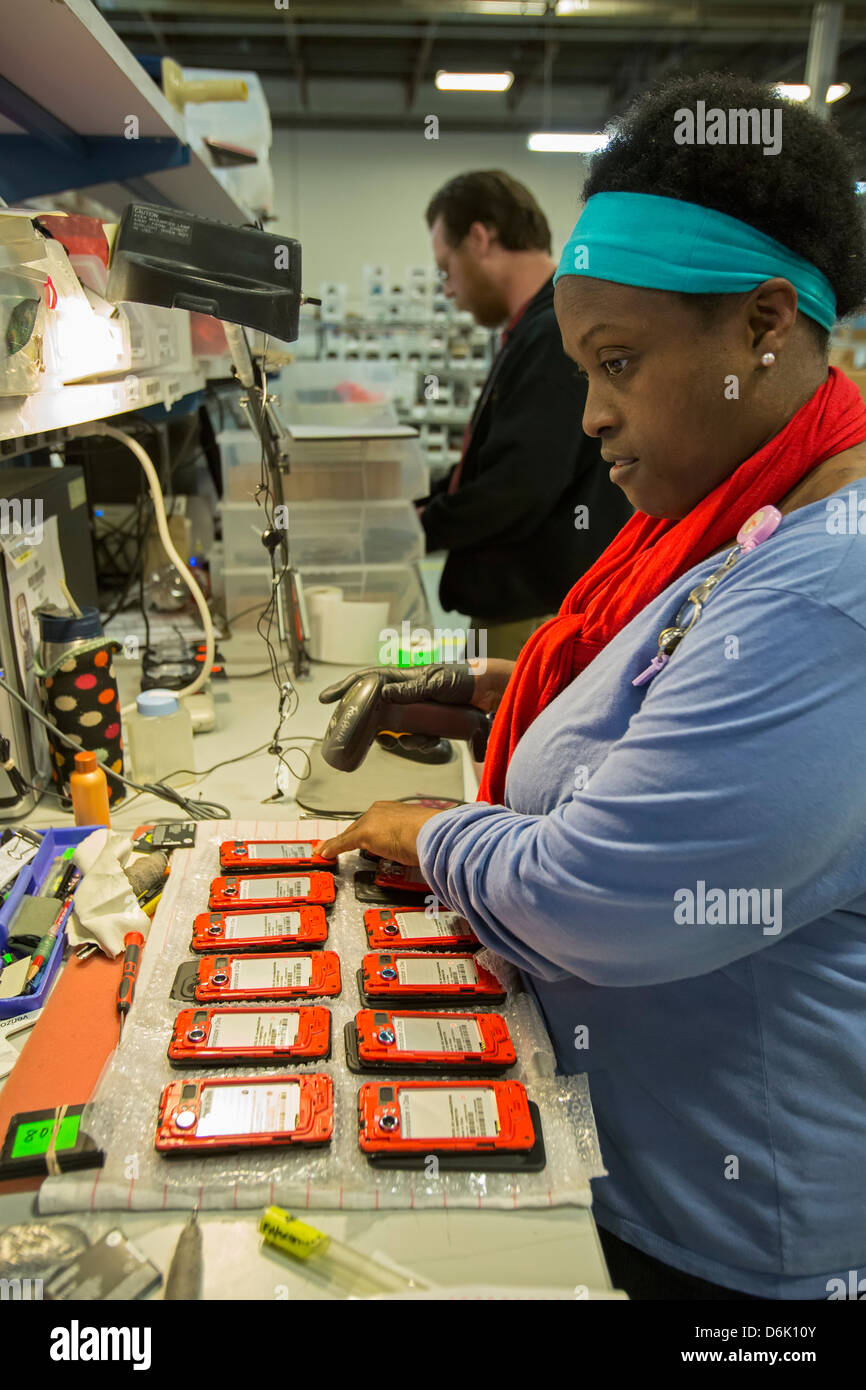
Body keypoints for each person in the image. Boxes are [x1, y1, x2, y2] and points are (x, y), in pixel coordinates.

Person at [319, 70, 866, 1301]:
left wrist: (431, 827)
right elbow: (669, 685)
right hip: (640, 1164)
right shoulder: (744, 524)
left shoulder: (832, 586)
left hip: (743, 1236)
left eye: (618, 362)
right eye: (579, 367)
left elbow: (602, 897)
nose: (595, 417)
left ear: (763, 326)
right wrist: (485, 691)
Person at [417, 170, 632, 659]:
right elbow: (504, 458)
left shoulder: (556, 330)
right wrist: (422, 497)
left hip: (537, 618)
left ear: (480, 238)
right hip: (523, 609)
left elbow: (518, 484)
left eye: (447, 268)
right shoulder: (534, 328)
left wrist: (416, 528)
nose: (448, 289)